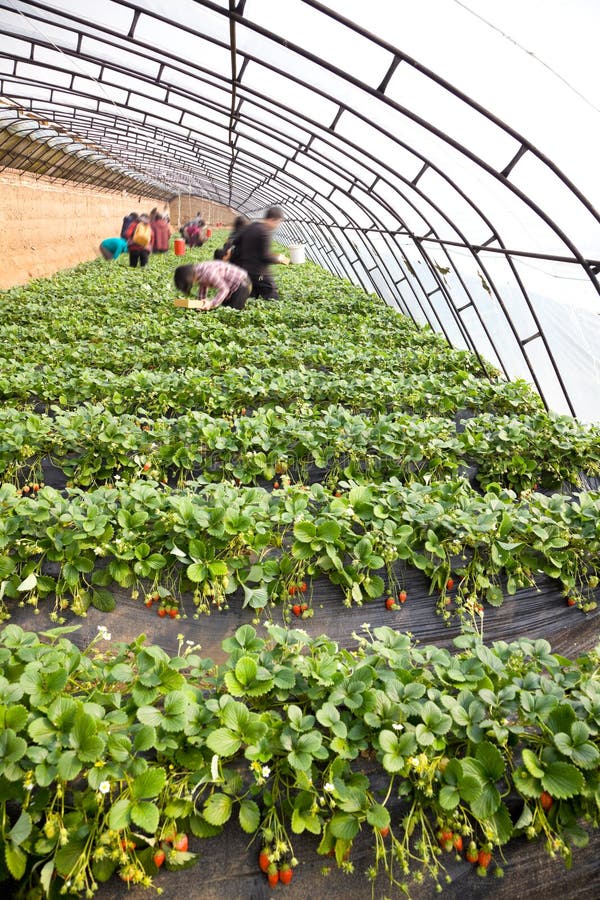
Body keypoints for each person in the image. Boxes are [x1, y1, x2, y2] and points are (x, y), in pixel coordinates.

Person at [229, 206, 289, 300]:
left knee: (251, 297)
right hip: (259, 272)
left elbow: (236, 241)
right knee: (273, 298)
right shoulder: (265, 232)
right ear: (273, 219)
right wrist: (280, 259)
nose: (277, 225)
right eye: (278, 222)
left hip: (246, 269)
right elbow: (265, 257)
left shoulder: (251, 226)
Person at [174, 257, 252, 311]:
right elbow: (203, 288)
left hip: (242, 284)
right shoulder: (197, 271)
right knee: (225, 307)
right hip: (232, 285)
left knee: (233, 310)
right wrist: (200, 304)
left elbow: (224, 289)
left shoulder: (209, 273)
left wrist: (211, 303)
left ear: (189, 278)